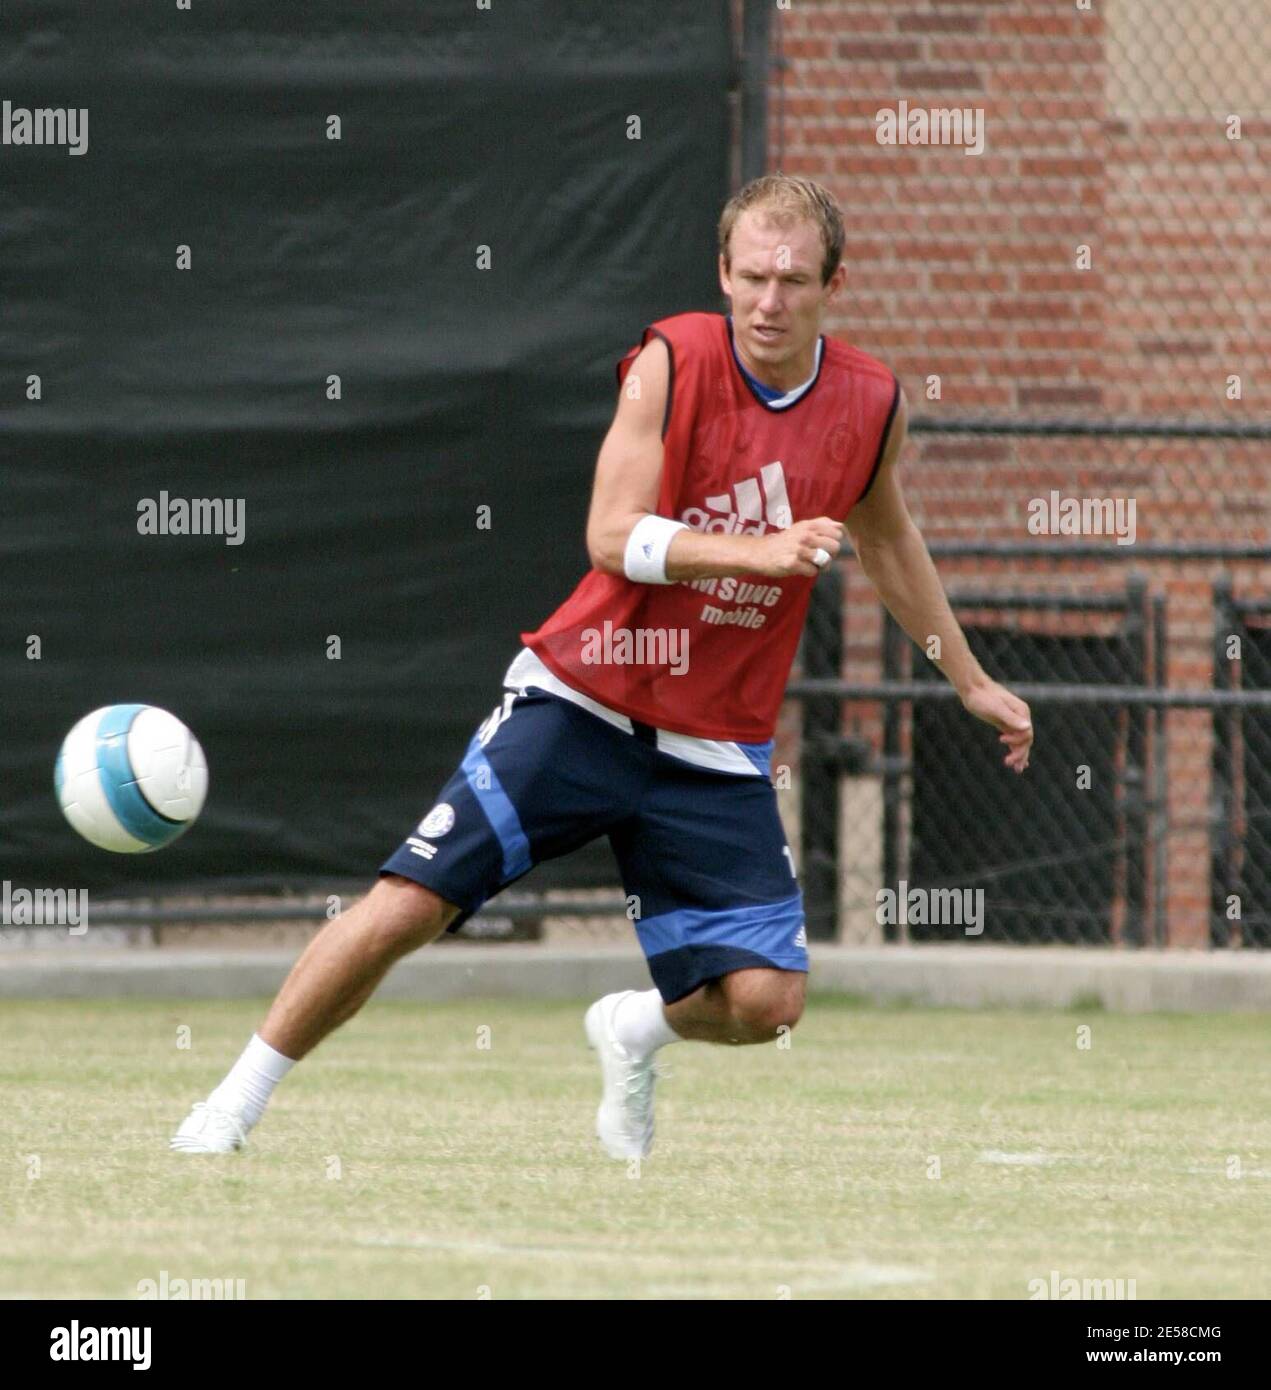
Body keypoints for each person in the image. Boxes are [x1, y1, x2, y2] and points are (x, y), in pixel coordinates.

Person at [171, 173, 1033, 1160]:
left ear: (833, 283)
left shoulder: (869, 402)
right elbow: (609, 535)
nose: (767, 300)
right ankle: (231, 1105)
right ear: (721, 271)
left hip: (712, 741)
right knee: (406, 906)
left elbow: (886, 538)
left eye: (792, 279)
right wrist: (755, 552)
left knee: (766, 1002)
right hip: (583, 698)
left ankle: (632, 1029)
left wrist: (965, 678)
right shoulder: (671, 358)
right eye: (749, 275)